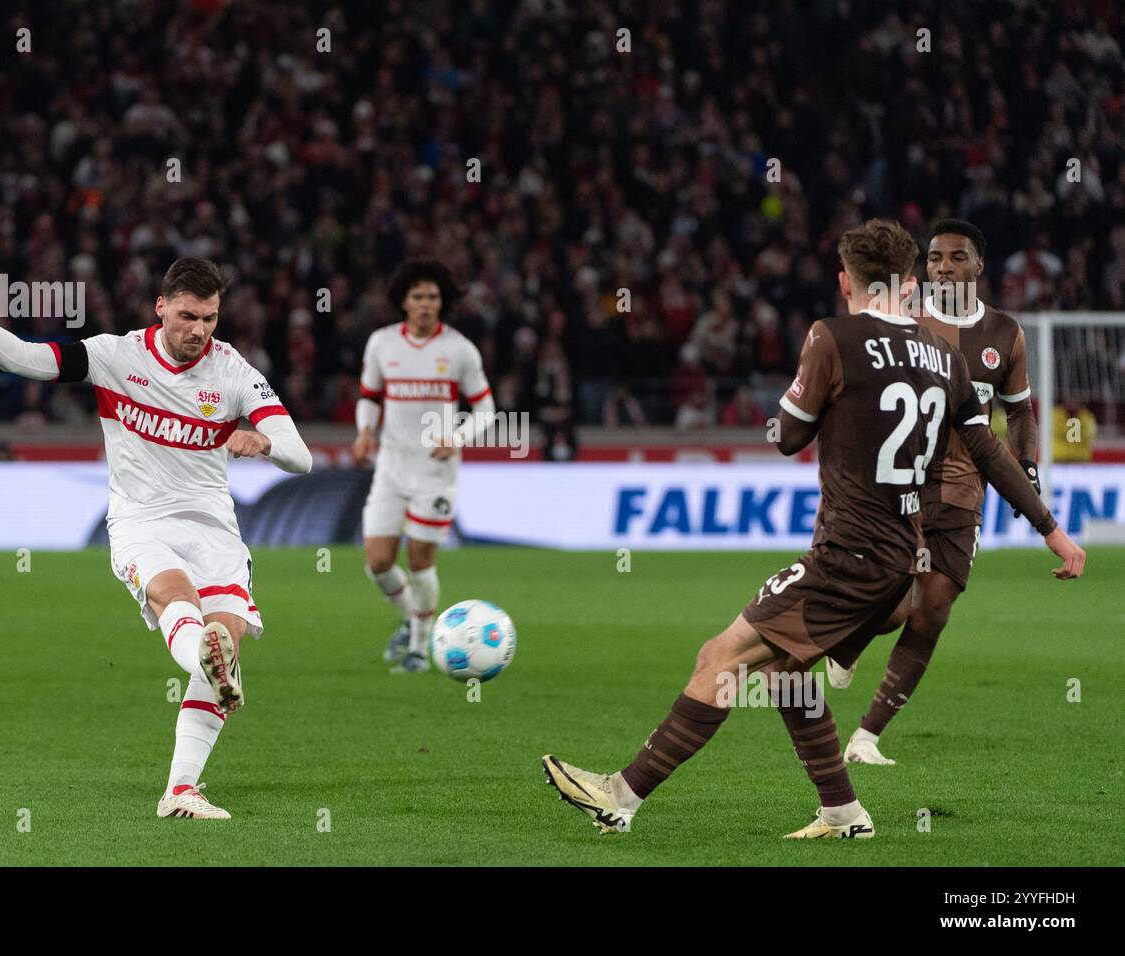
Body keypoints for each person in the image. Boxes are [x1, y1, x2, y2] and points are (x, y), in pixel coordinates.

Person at [542, 220, 1083, 838]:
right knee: (784, 671)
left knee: (721, 657)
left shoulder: (832, 336)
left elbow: (787, 436)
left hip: (848, 554)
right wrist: (1052, 530)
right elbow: (988, 450)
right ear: (910, 284)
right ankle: (842, 811)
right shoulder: (944, 355)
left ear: (845, 281)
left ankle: (620, 796)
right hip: (901, 552)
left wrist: (814, 393)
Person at [0, 257, 312, 820]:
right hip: (141, 521)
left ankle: (180, 790)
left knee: (225, 639)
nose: (199, 330)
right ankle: (207, 660)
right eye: (187, 316)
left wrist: (266, 443)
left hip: (213, 528)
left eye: (210, 318)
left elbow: (301, 455)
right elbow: (23, 358)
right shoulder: (115, 356)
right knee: (179, 601)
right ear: (160, 308)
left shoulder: (233, 371)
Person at [829, 219, 1043, 765]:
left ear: (979, 266)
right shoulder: (904, 320)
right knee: (895, 607)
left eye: (956, 257)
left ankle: (867, 737)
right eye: (934, 258)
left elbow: (1020, 411)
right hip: (901, 483)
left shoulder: (1005, 333)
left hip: (963, 492)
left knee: (934, 610)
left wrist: (1027, 469)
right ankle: (847, 640)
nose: (943, 267)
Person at [353, 259, 495, 673]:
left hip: (435, 473)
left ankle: (419, 647)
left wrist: (459, 438)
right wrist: (365, 431)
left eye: (433, 296)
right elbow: (369, 396)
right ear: (404, 301)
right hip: (391, 468)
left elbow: (486, 408)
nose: (426, 303)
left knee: (419, 559)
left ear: (442, 301)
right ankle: (410, 618)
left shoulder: (459, 349)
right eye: (418, 296)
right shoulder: (382, 344)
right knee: (378, 562)